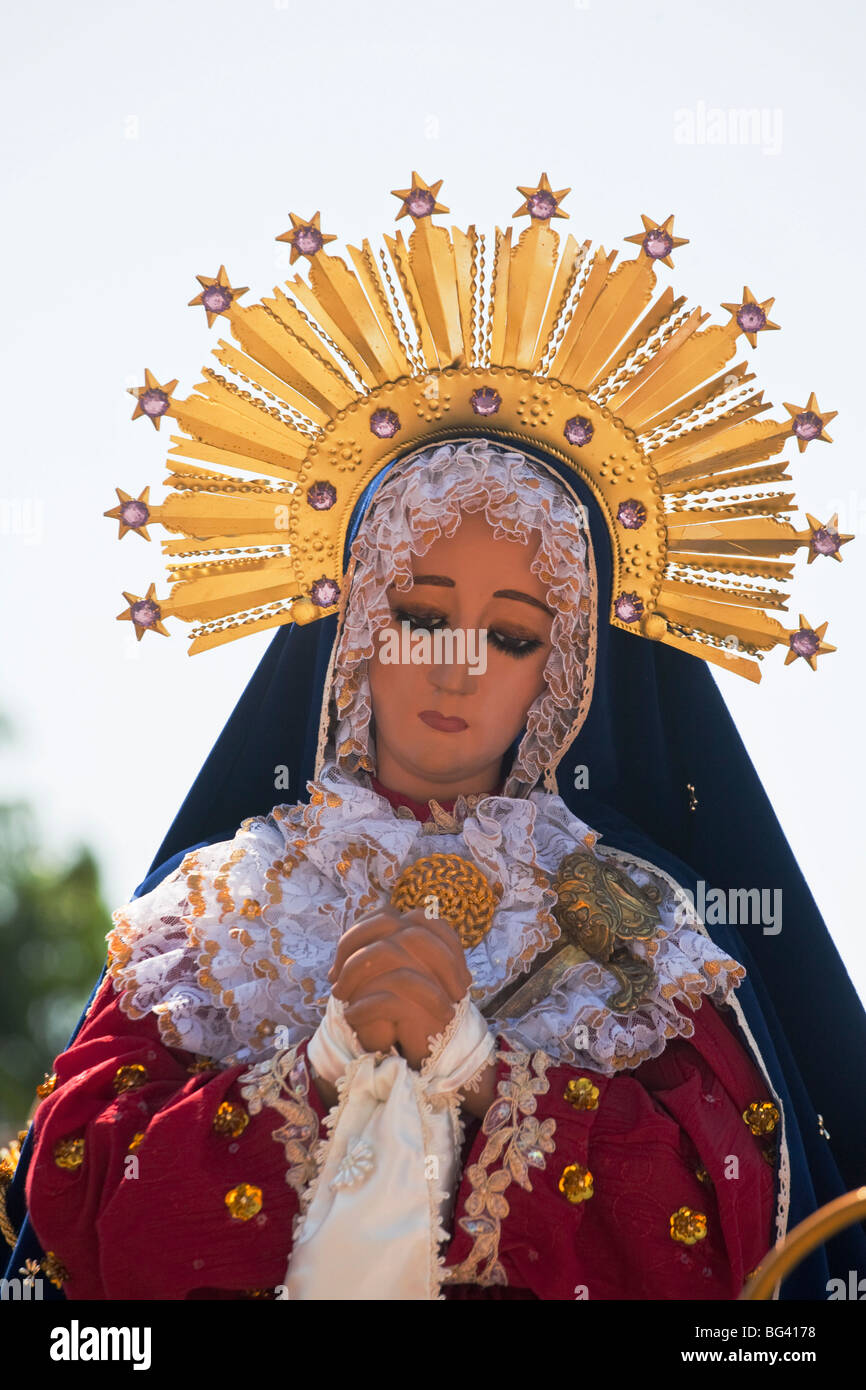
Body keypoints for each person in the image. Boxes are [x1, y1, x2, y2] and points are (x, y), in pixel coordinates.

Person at [3, 174, 864, 1299]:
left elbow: (732, 1227)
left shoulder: (641, 930)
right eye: (419, 615)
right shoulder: (212, 911)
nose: (456, 665)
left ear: (559, 674)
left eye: (510, 636)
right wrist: (313, 1075)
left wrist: (485, 1079)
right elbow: (77, 1215)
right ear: (358, 628)